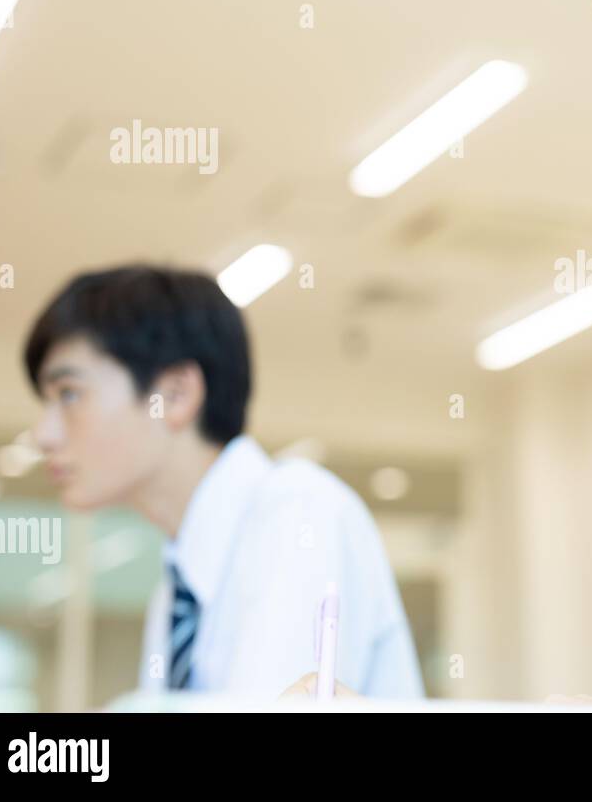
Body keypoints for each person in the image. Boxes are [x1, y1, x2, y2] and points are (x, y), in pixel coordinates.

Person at [24, 264, 424, 701]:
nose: (44, 434)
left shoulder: (299, 515)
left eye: (69, 395)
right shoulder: (179, 588)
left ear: (174, 396)